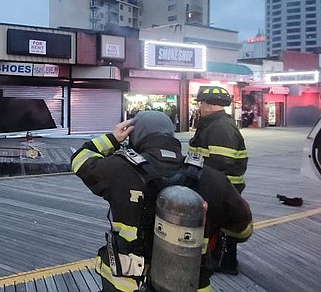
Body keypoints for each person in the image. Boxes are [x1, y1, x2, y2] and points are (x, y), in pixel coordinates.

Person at [71, 111, 253, 291]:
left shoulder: (119, 169)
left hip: (126, 286)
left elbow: (80, 159)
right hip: (190, 285)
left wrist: (112, 138)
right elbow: (243, 230)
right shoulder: (212, 178)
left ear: (134, 136)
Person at [188, 85, 248, 275]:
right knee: (218, 225)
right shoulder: (215, 124)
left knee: (219, 225)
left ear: (207, 104)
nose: (199, 107)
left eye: (200, 103)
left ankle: (224, 262)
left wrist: (207, 187)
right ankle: (222, 260)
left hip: (220, 187)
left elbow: (220, 164)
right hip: (219, 185)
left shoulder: (220, 128)